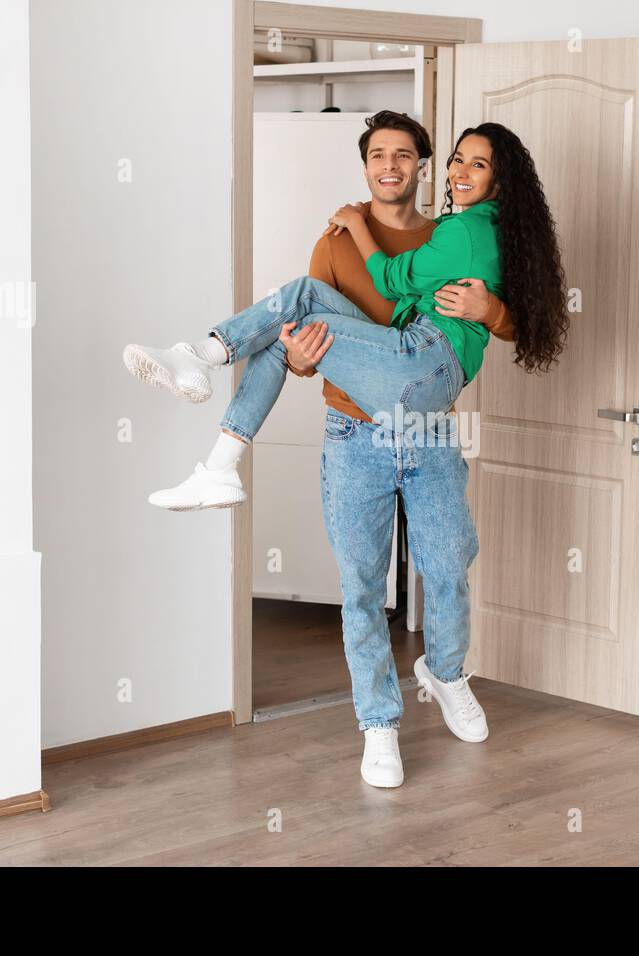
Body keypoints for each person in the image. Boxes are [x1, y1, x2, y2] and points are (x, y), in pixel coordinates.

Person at [124, 112, 568, 787]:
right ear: (366, 166)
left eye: (411, 156)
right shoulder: (334, 242)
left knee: (449, 567)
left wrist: (493, 313)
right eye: (378, 155)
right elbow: (299, 350)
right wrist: (301, 358)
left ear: (421, 166)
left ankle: (446, 673)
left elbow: (469, 307)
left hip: (426, 423)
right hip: (354, 431)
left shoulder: (453, 232)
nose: (395, 166)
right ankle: (379, 725)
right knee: (361, 588)